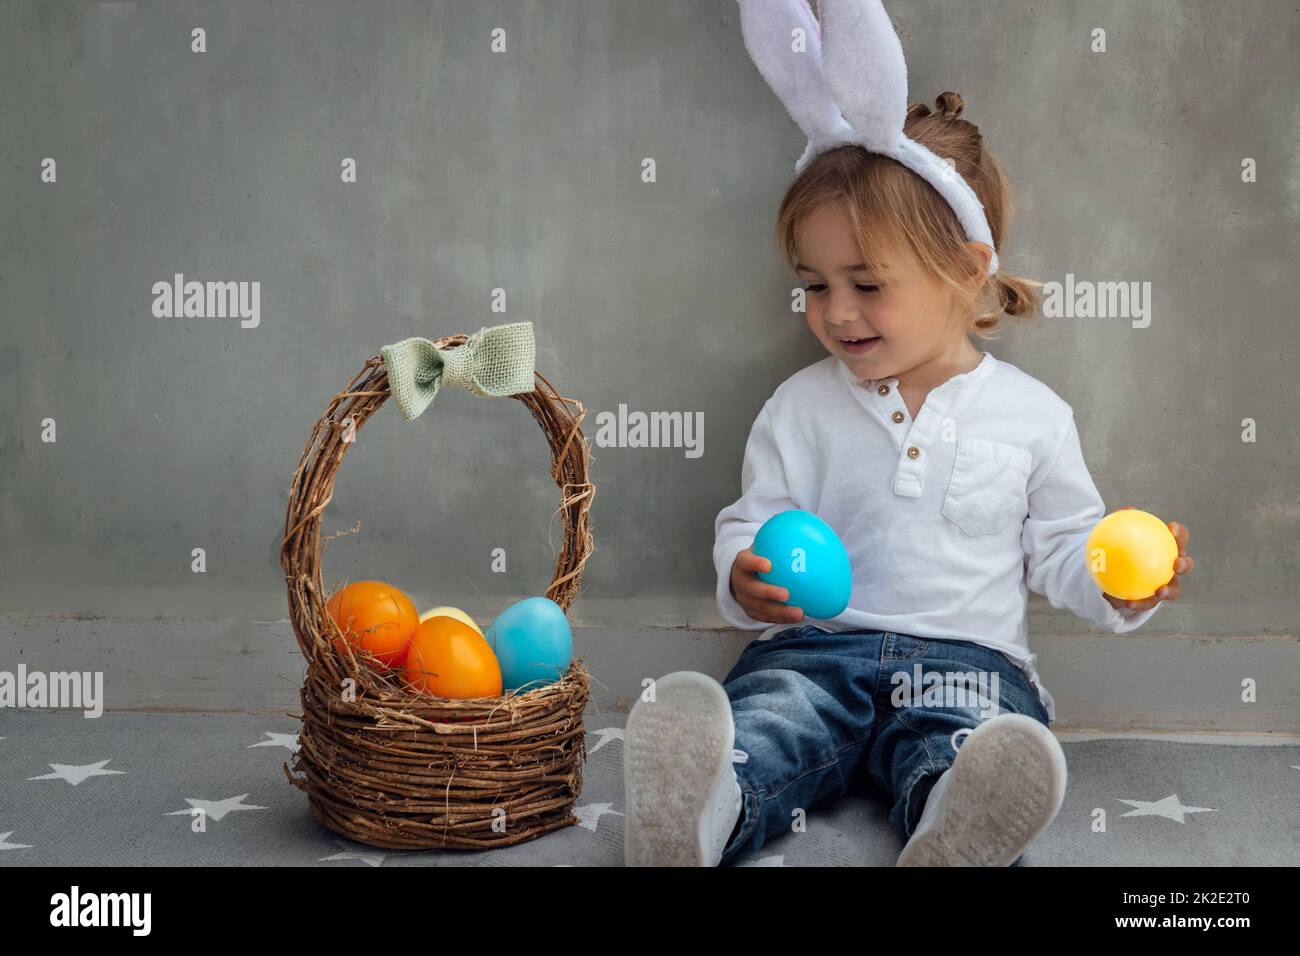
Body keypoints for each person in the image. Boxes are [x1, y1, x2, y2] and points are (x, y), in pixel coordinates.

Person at [623, 90, 1194, 867]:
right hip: (815, 651)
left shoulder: (1033, 416)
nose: (836, 312)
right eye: (816, 284)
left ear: (963, 271)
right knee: (770, 721)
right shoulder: (800, 406)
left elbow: (1063, 551)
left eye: (867, 283)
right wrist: (745, 571)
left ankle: (957, 825)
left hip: (965, 662)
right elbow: (754, 519)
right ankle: (703, 809)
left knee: (967, 742)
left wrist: (1118, 582)